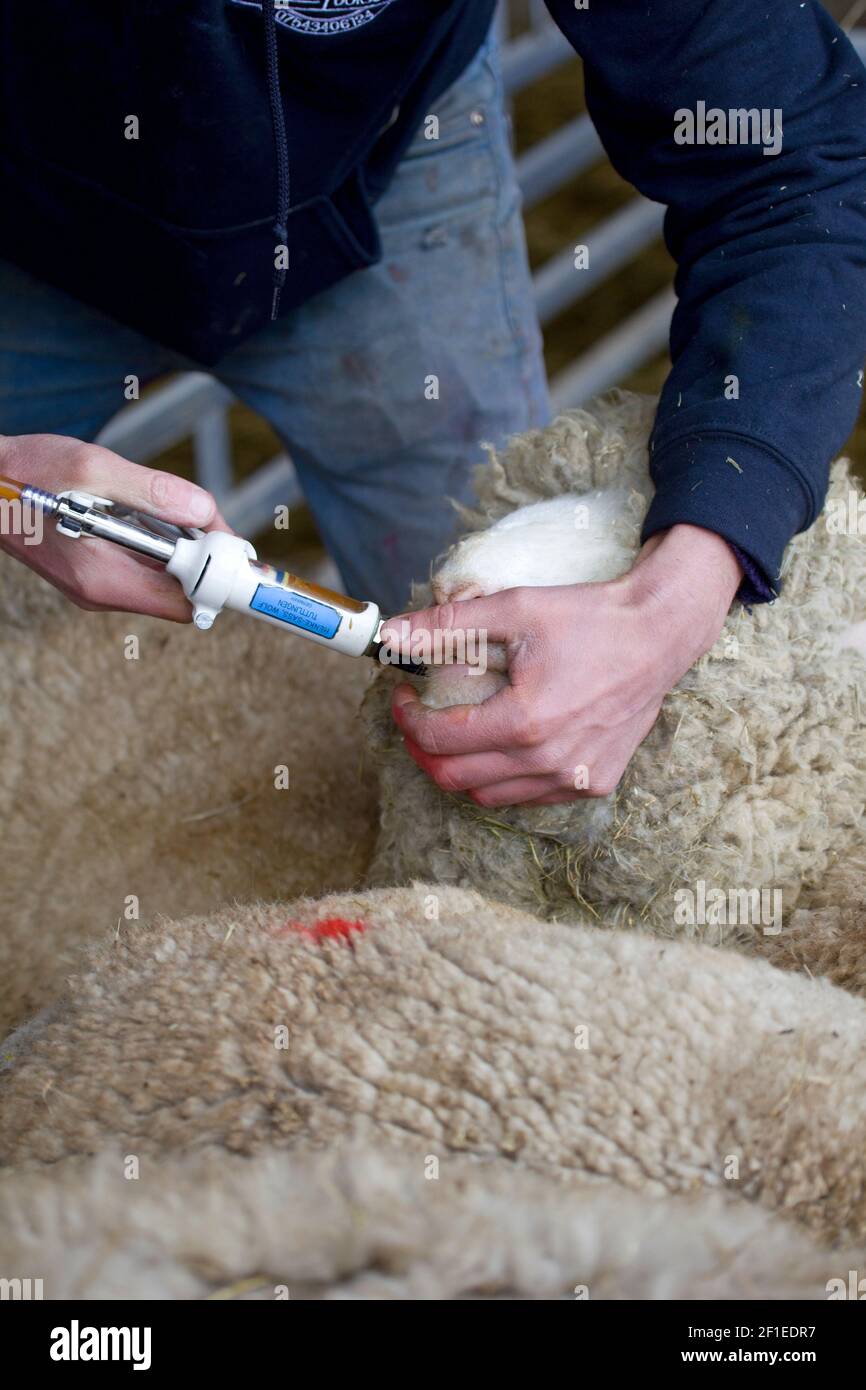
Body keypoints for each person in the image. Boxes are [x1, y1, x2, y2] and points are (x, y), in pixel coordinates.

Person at [1, 1, 864, 808]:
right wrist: (4, 481)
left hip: (380, 158)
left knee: (492, 630)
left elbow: (794, 168)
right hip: (27, 207)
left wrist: (672, 601)